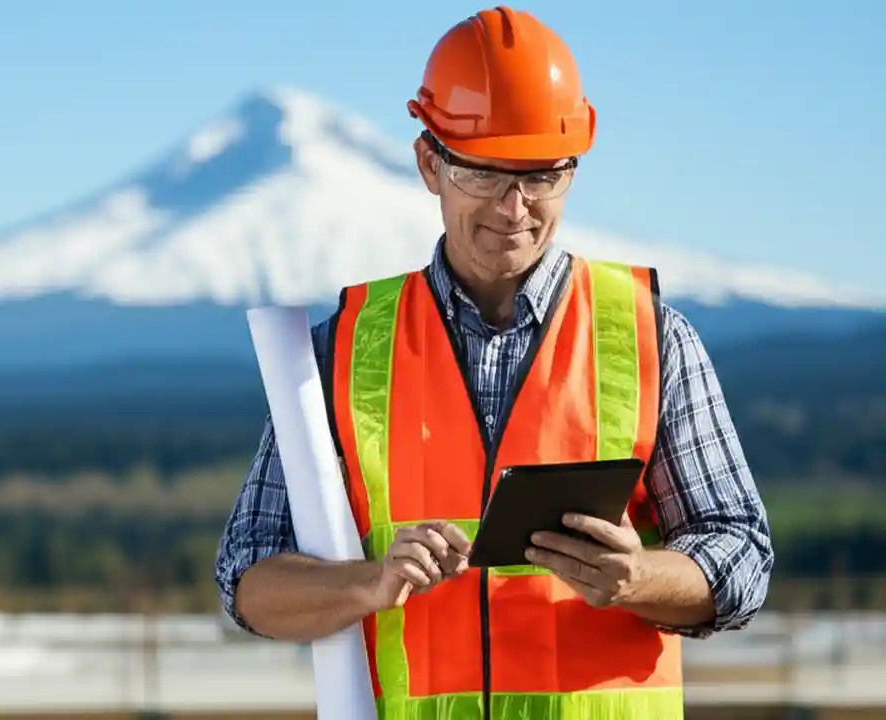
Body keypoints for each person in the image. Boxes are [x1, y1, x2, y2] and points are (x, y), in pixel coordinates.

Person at [214, 6, 773, 720]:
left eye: (543, 175)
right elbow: (247, 579)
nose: (516, 208)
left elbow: (744, 557)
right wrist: (367, 584)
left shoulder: (651, 339)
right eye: (485, 173)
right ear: (429, 163)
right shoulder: (341, 352)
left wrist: (637, 577)